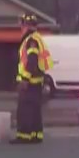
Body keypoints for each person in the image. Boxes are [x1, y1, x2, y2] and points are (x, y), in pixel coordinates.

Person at [14, 15, 52, 144]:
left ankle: (24, 136)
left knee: (24, 111)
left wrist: (25, 79)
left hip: (29, 83)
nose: (21, 28)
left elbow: (32, 61)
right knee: (35, 110)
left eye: (22, 25)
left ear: (27, 26)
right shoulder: (37, 38)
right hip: (36, 82)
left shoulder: (31, 41)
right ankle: (36, 135)